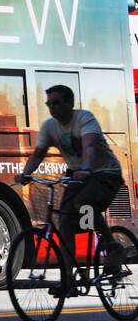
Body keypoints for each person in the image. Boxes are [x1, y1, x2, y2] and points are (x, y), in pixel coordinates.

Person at [18, 85, 124, 282]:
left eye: (57, 103)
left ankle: (111, 246)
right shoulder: (50, 126)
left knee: (84, 204)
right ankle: (68, 278)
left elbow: (89, 145)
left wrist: (85, 168)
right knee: (65, 223)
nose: (52, 108)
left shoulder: (84, 119)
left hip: (105, 173)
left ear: (69, 103)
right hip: (79, 176)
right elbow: (38, 154)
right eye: (49, 104)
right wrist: (25, 173)